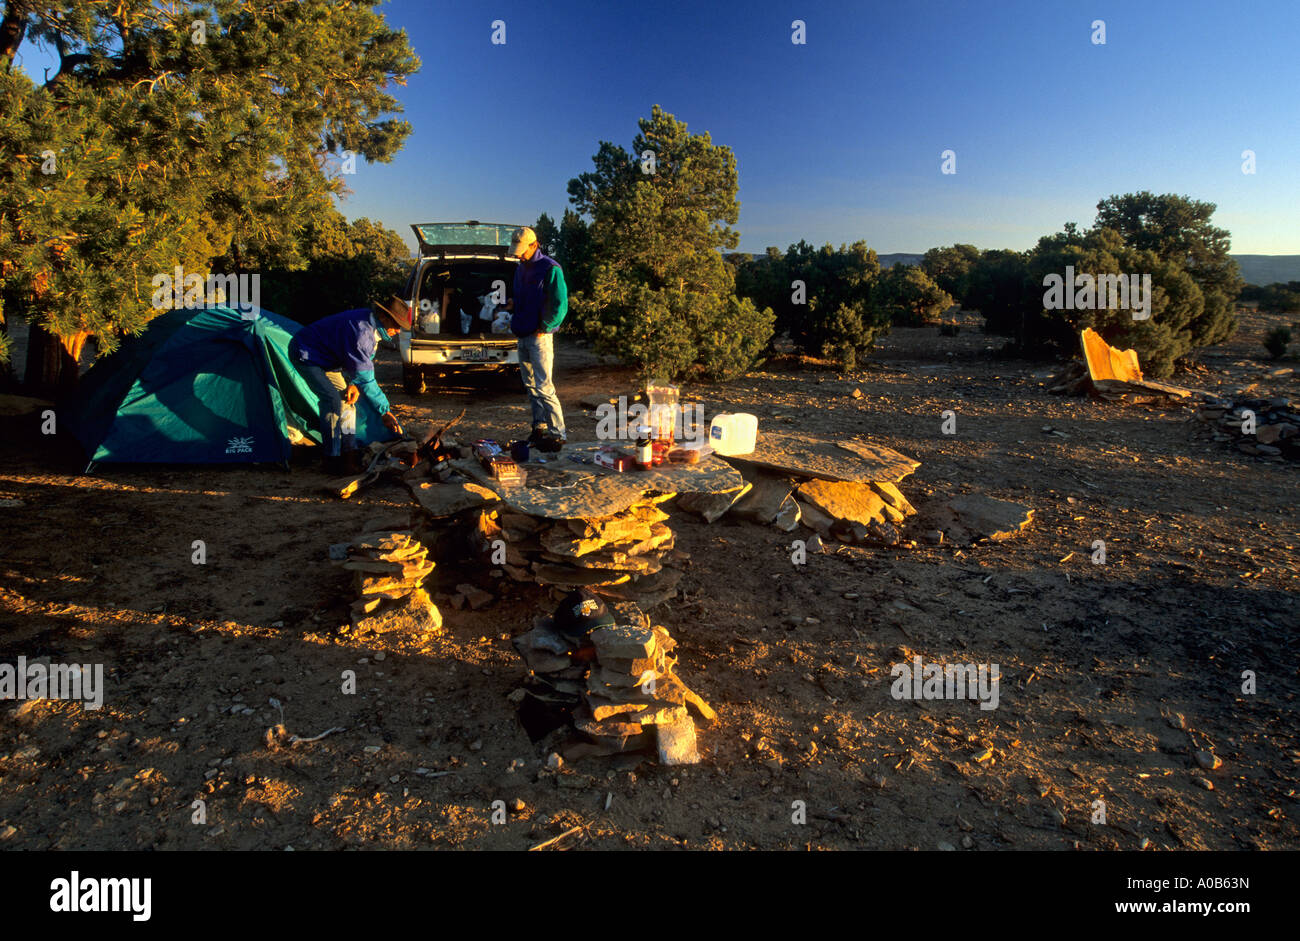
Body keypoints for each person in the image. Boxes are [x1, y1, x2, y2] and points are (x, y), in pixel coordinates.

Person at [289, 304, 406, 474]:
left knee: (347, 401)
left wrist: (353, 383)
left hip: (330, 360)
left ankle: (349, 452)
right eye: (397, 326)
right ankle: (331, 459)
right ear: (385, 317)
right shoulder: (362, 333)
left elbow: (361, 361)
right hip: (306, 354)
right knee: (331, 400)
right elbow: (366, 378)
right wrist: (384, 412)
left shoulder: (371, 325)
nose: (398, 331)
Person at [507, 226, 567, 450]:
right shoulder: (520, 268)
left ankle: (558, 433)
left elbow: (561, 304)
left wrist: (546, 327)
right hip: (522, 333)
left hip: (539, 336)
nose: (519, 254)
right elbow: (520, 295)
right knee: (530, 385)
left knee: (544, 386)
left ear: (535, 245)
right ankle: (539, 427)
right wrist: (512, 307)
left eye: (522, 250)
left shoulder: (550, 268)